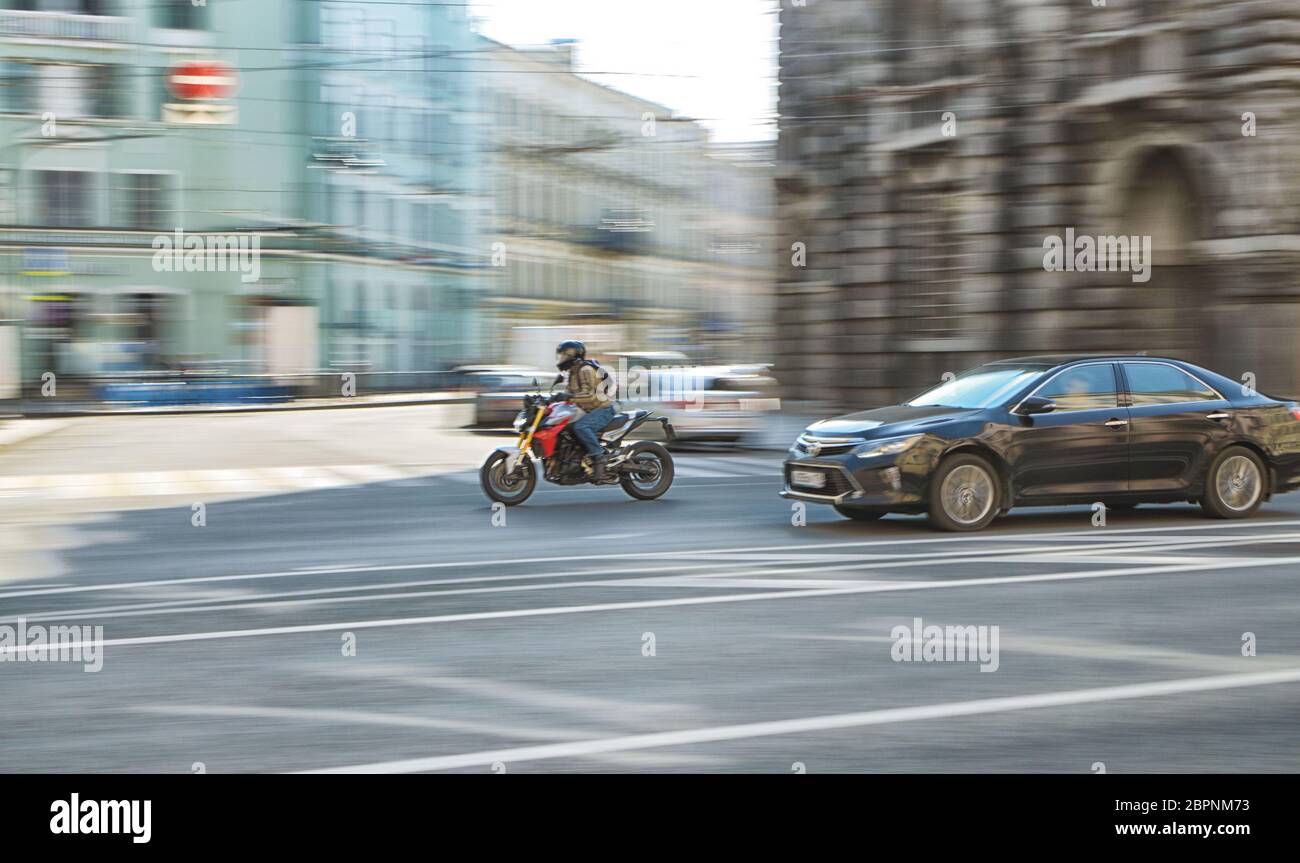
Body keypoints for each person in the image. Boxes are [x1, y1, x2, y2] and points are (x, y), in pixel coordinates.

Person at [555, 340, 616, 480]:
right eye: (560, 356)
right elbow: (569, 394)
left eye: (564, 355)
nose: (561, 359)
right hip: (589, 410)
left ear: (573, 355)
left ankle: (599, 457)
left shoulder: (585, 370)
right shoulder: (573, 372)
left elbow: (589, 395)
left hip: (603, 409)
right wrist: (549, 400)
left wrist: (568, 397)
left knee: (581, 427)